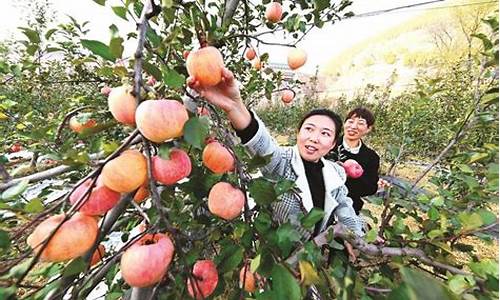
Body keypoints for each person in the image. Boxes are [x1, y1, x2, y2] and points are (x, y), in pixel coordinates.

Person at [187, 68, 364, 242]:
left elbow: (344, 205)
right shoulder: (282, 162)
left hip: (311, 257)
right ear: (298, 133)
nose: (314, 138)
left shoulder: (336, 173)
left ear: (333, 144)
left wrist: (356, 237)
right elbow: (261, 144)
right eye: (309, 129)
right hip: (275, 255)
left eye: (325, 133)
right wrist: (234, 106)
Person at [327, 107, 381, 215]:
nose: (353, 126)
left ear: (368, 128)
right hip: (320, 205)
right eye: (350, 121)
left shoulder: (371, 157)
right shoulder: (328, 146)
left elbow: (370, 188)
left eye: (360, 123)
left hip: (349, 210)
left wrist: (352, 176)